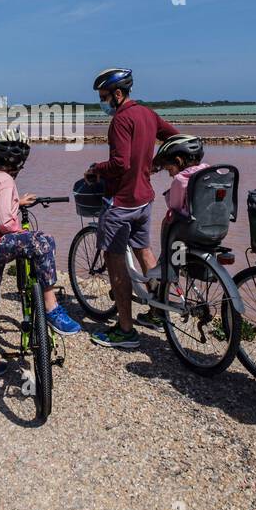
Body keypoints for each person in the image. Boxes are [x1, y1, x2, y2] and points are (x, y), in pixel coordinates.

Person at [0, 128, 81, 385]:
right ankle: (51, 307)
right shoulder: (7, 181)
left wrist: (18, 202)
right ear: (21, 160)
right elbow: (5, 223)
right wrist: (21, 232)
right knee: (43, 241)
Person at [84, 67, 179, 349]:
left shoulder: (121, 120)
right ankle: (158, 312)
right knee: (144, 251)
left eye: (104, 97)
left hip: (122, 202)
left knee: (116, 265)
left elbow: (120, 164)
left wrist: (96, 168)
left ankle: (125, 330)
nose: (103, 103)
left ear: (117, 93)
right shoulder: (148, 114)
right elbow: (175, 139)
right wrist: (156, 164)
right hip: (144, 199)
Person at [154, 134, 209, 268]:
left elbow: (175, 206)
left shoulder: (180, 180)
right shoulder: (209, 171)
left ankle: (167, 265)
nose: (170, 174)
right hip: (212, 226)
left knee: (169, 221)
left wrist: (168, 195)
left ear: (178, 161)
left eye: (169, 169)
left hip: (190, 229)